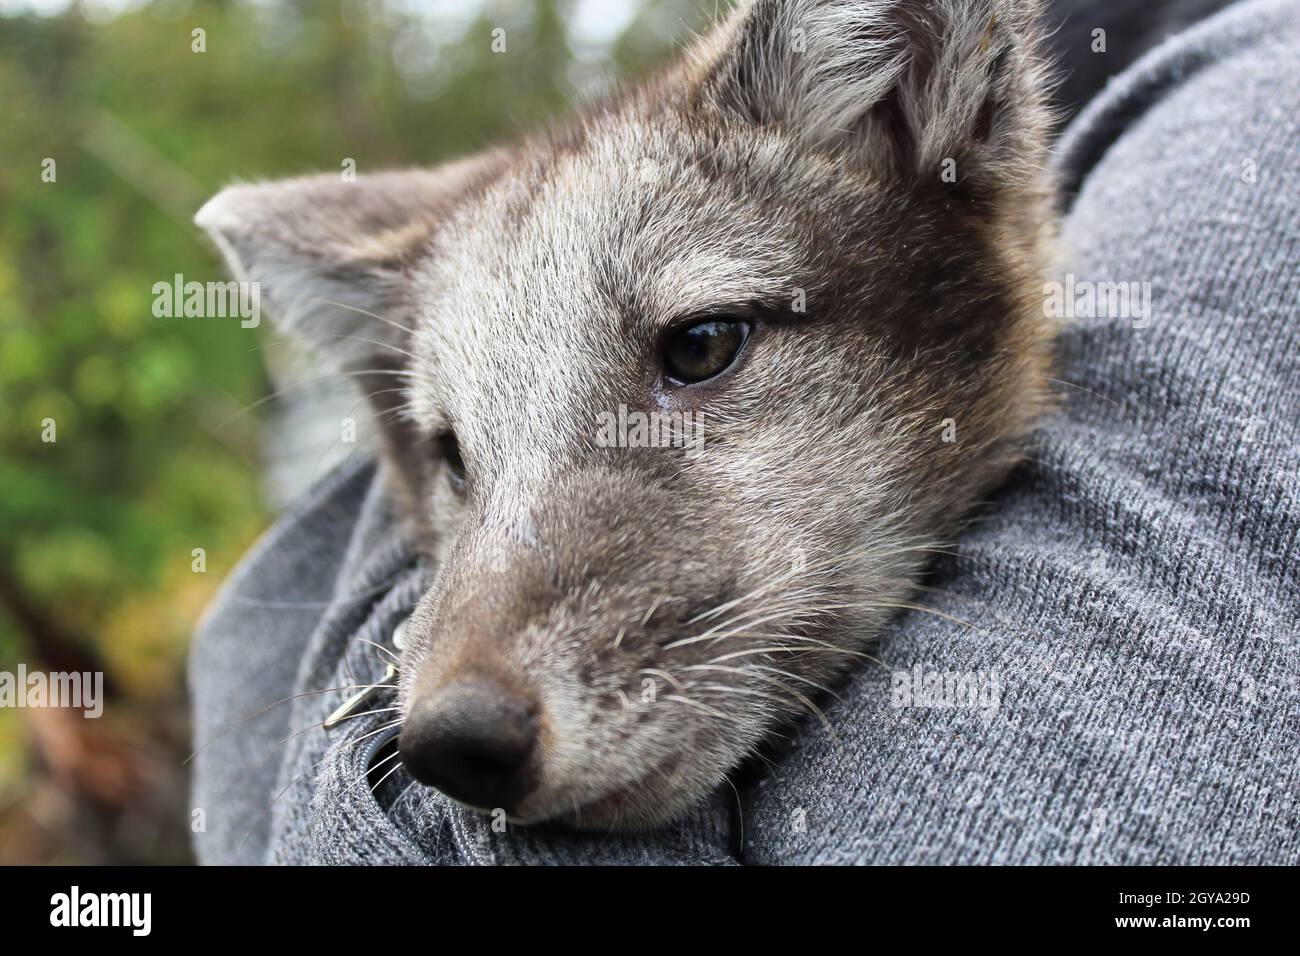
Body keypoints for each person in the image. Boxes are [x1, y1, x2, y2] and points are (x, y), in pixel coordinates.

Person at [190, 0, 1299, 864]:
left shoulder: (1244, 92)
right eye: (460, 457)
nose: (443, 707)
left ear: (913, 101)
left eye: (698, 348)